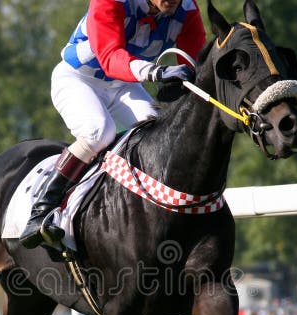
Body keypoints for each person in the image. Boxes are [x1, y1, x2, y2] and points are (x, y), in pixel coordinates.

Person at [19, 0, 207, 249]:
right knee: (99, 132)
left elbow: (197, 63)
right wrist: (158, 72)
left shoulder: (188, 10)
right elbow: (110, 57)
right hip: (78, 78)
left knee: (159, 138)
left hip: (123, 86)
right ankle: (41, 212)